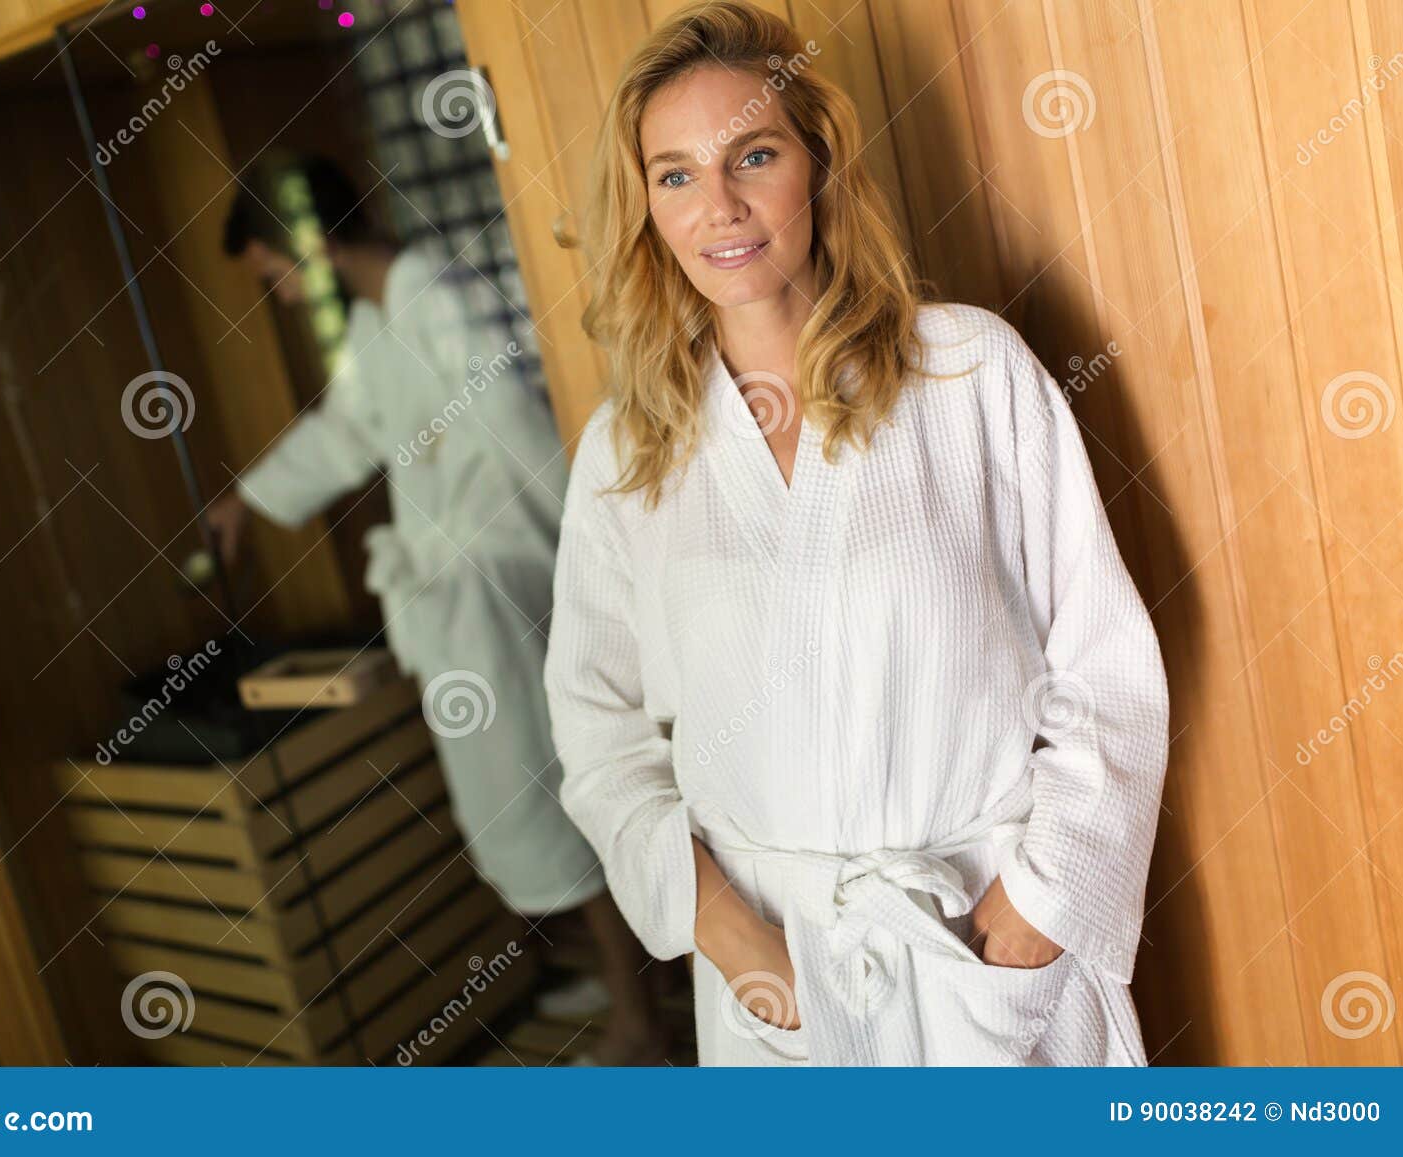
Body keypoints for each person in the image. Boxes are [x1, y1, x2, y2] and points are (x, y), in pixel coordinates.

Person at [543, 2, 1170, 1066]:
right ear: (644, 204)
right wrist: (729, 934)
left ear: (818, 164)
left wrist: (1039, 900)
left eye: (753, 153)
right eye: (675, 173)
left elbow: (1104, 662)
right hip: (778, 976)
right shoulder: (629, 450)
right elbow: (593, 729)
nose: (720, 206)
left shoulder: (966, 370)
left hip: (981, 940)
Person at [209, 157, 671, 1063]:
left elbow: (517, 429)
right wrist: (250, 499)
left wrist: (564, 561)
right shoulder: (381, 317)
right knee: (522, 803)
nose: (285, 298)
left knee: (560, 799)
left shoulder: (434, 290)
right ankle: (620, 984)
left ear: (307, 244)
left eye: (274, 275)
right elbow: (352, 429)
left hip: (507, 585)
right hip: (469, 594)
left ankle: (642, 1023)